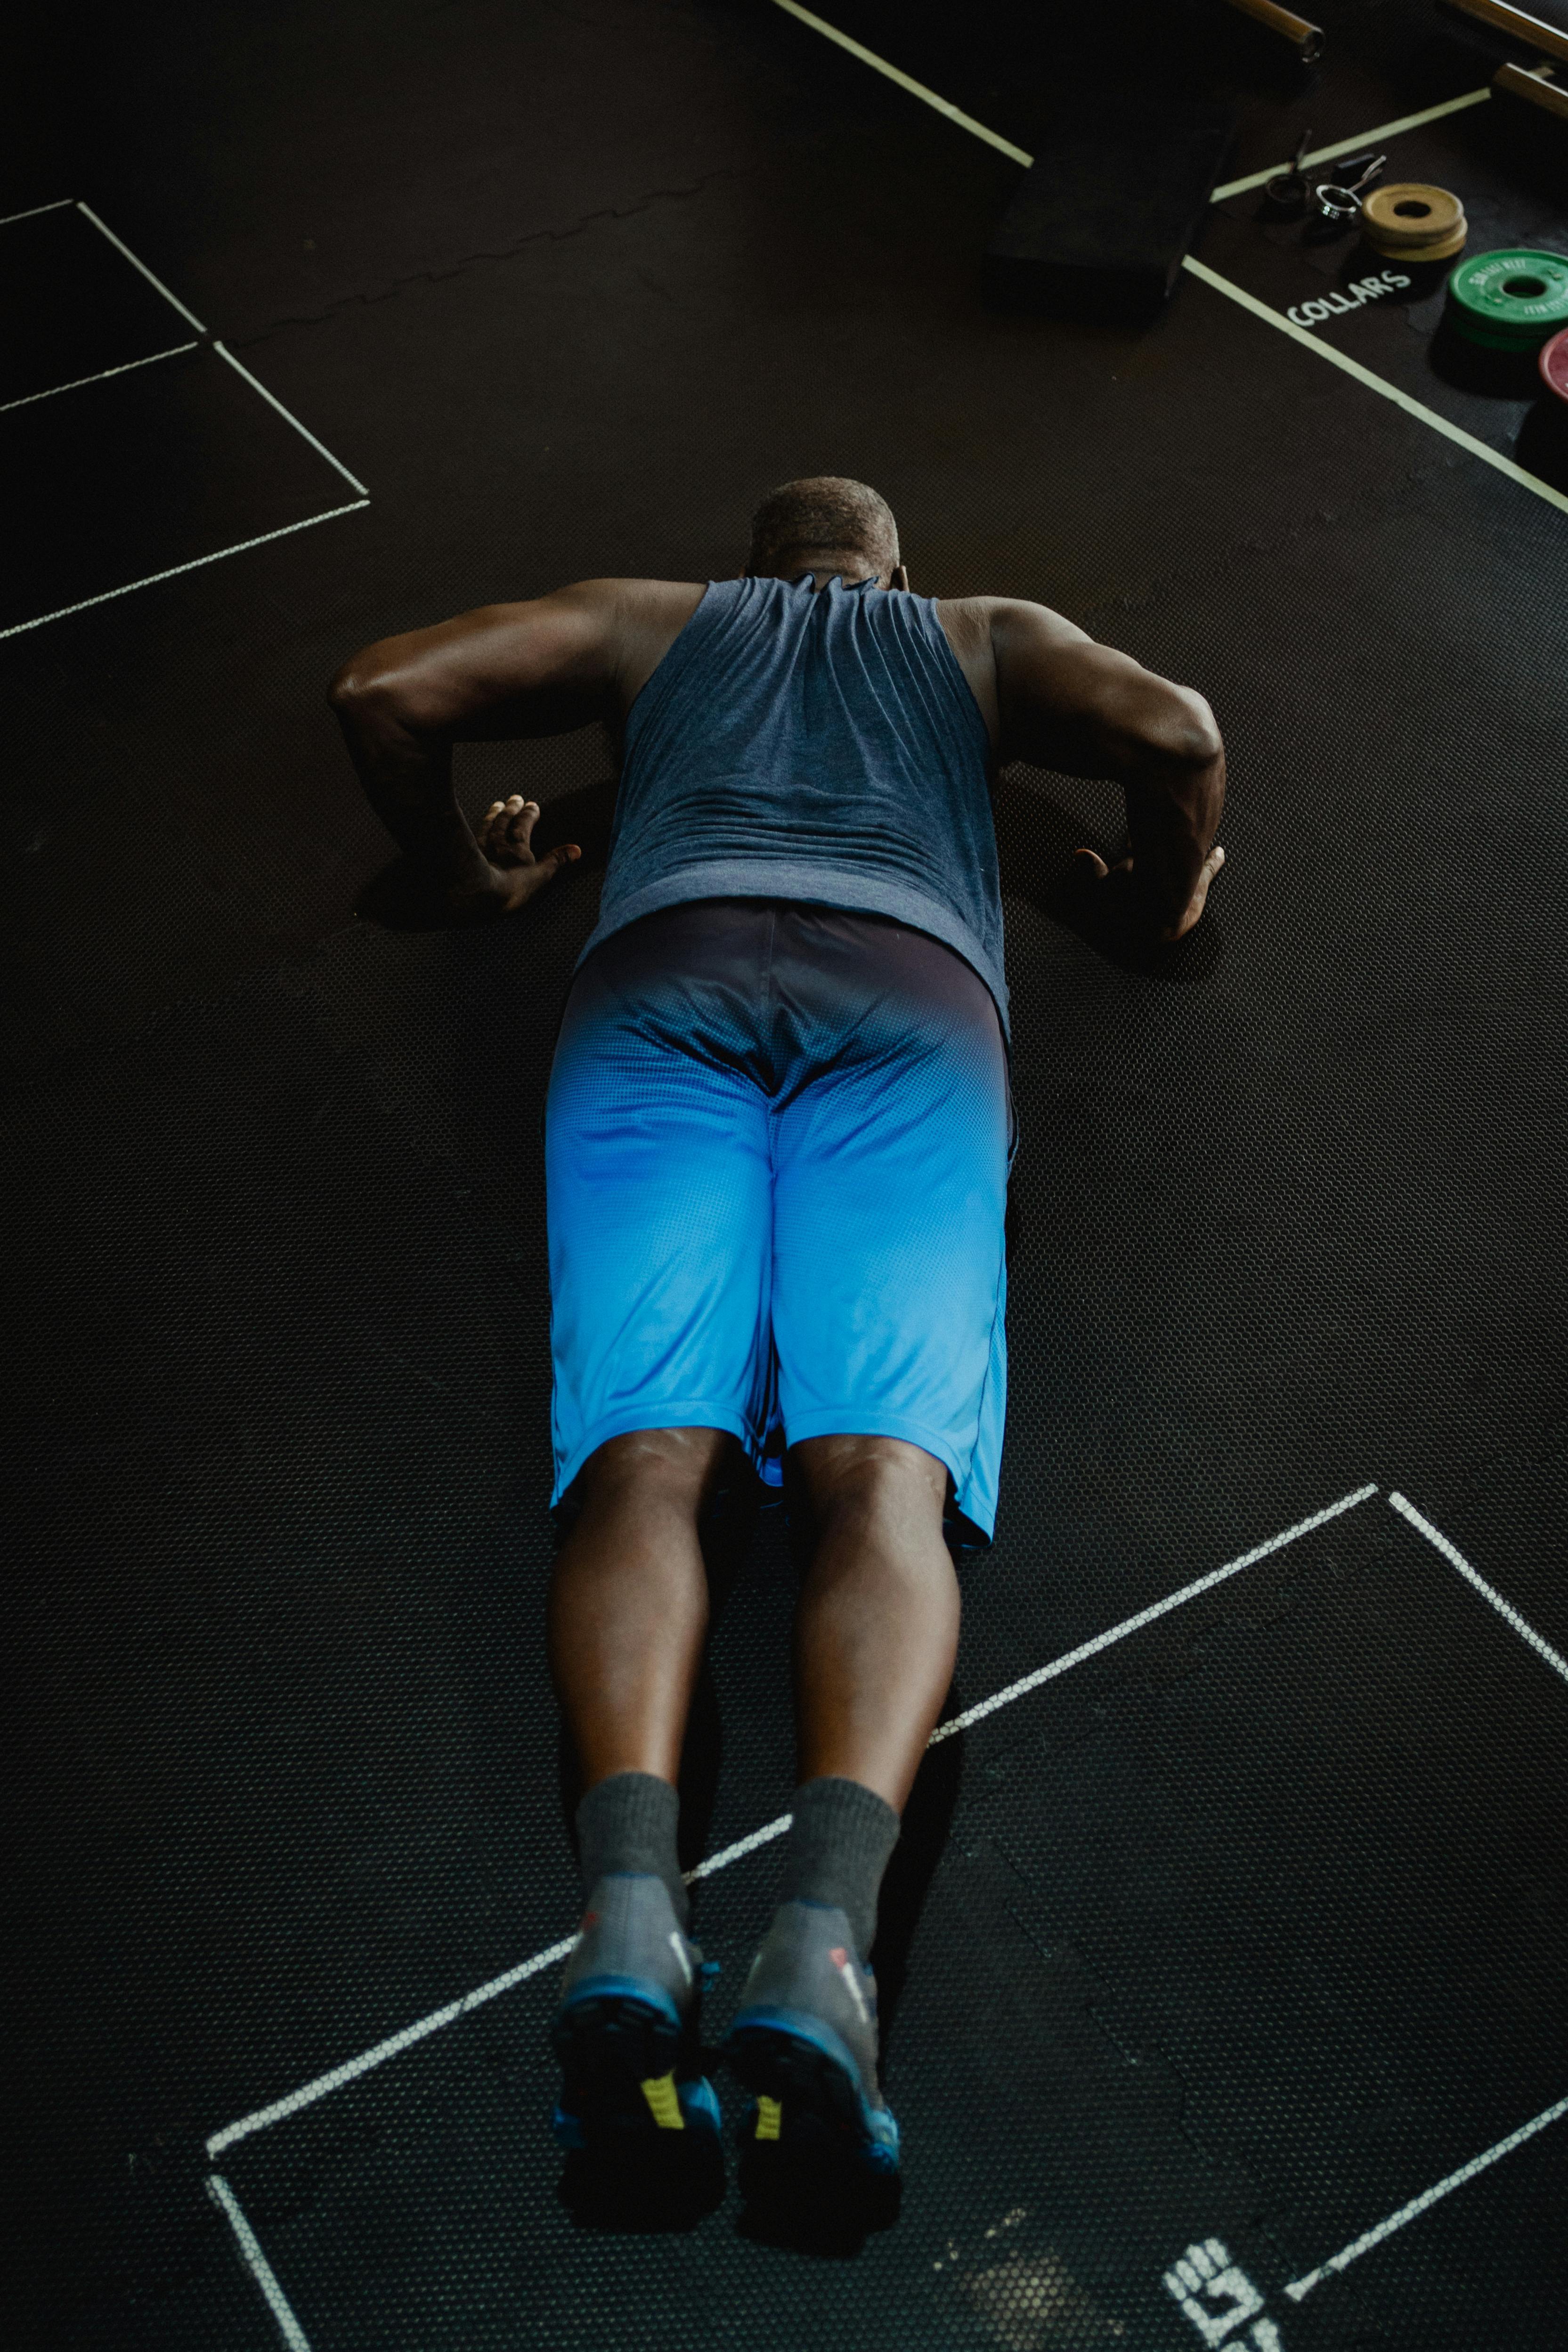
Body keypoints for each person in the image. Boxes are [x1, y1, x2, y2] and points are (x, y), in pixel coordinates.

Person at [329, 476, 1225, 2183]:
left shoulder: (651, 619)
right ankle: (820, 1939)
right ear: (901, 569)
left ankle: (627, 1920)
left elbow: (382, 690)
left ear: (753, 571)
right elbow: (1176, 734)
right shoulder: (979, 633)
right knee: (883, 1480)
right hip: (909, 1004)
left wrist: (462, 873)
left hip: (658, 982)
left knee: (640, 1458)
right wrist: (1160, 903)